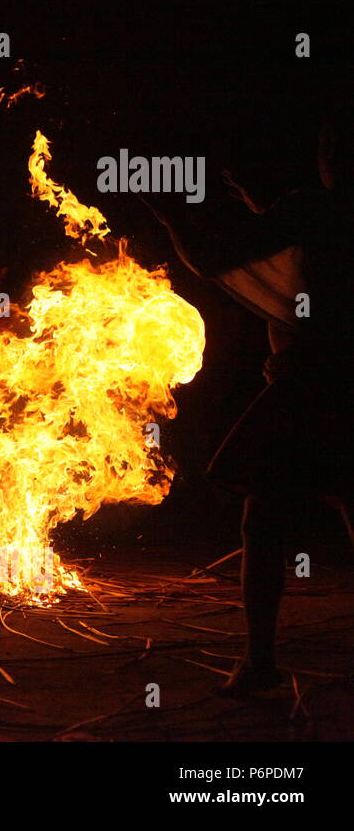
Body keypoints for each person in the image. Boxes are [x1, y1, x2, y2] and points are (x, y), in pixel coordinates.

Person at [142, 107, 353, 696]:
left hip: (314, 384)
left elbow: (219, 254)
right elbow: (298, 263)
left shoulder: (316, 208)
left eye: (338, 145)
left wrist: (165, 208)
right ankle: (259, 664)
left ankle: (260, 665)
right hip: (326, 380)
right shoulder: (318, 211)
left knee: (263, 519)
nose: (329, 156)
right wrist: (264, 208)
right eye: (328, 143)